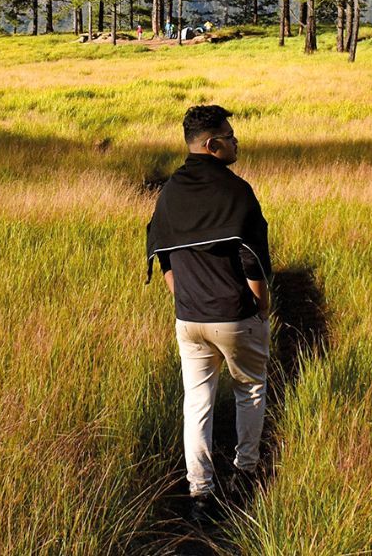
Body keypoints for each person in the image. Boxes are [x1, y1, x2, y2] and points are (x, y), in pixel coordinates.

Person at [145, 104, 271, 513]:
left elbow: (161, 253)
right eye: (231, 136)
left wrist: (182, 297)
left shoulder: (169, 193)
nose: (237, 141)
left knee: (196, 403)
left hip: (189, 318)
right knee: (249, 391)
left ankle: (200, 491)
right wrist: (260, 307)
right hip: (235, 316)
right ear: (212, 144)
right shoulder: (237, 191)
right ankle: (246, 473)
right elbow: (253, 260)